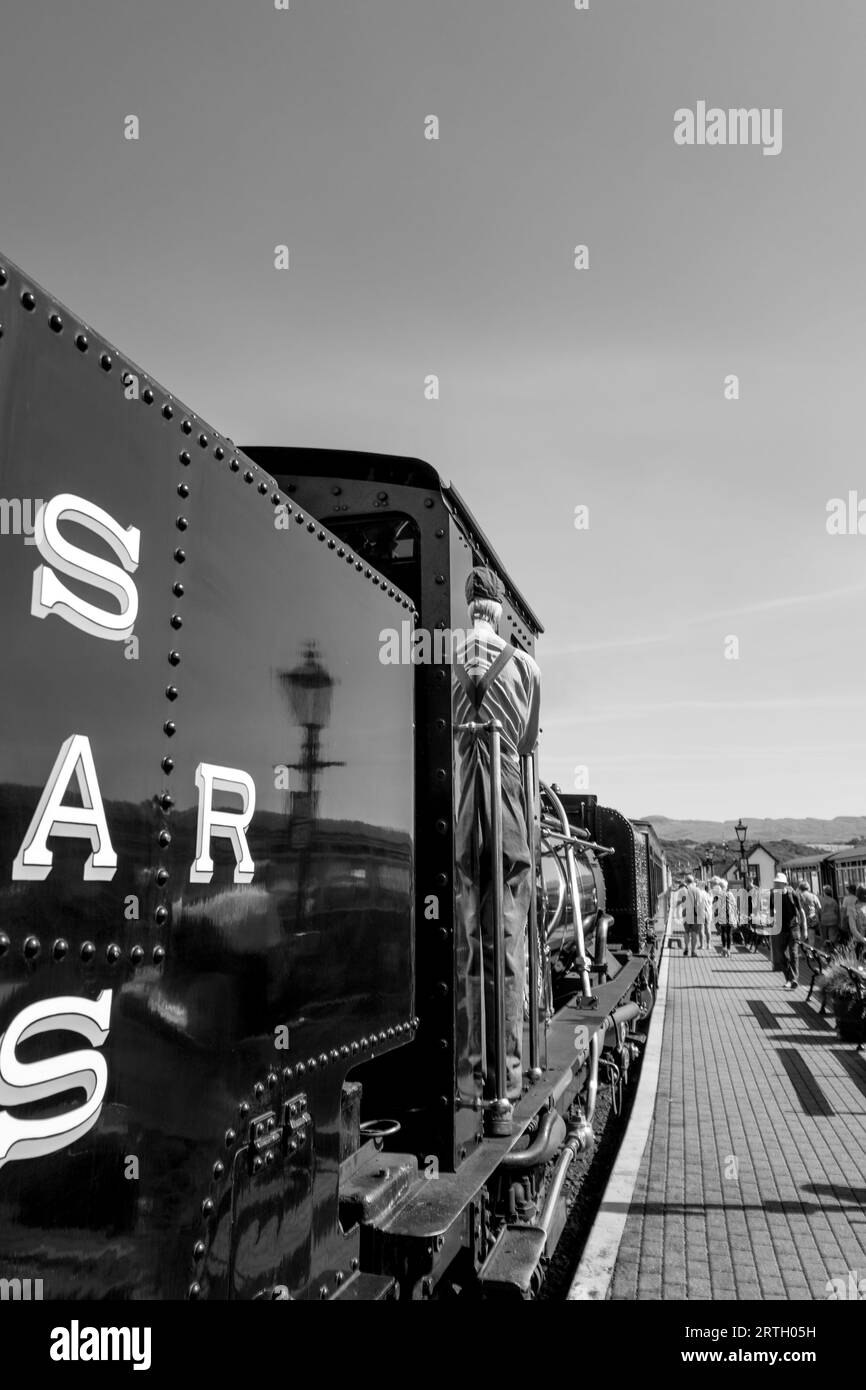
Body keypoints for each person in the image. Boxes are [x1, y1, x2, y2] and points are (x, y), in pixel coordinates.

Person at [453, 566, 541, 1136]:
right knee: (508, 941)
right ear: (502, 609)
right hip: (507, 804)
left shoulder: (447, 662)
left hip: (462, 803)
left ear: (468, 604)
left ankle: (468, 1072)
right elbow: (530, 741)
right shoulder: (526, 667)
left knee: (467, 939)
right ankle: (504, 1083)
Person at [769, 871, 805, 989]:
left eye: (778, 883)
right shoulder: (773, 895)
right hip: (780, 929)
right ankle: (789, 977)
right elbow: (770, 912)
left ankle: (793, 979)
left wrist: (804, 928)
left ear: (784, 884)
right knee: (780, 955)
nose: (776, 885)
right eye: (775, 883)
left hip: (793, 928)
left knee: (793, 954)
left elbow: (801, 911)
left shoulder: (793, 894)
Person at [681, 874, 709, 957]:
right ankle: (693, 952)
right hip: (695, 914)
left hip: (686, 914)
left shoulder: (683, 890)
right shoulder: (697, 890)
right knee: (694, 933)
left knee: (686, 932)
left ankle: (686, 948)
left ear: (686, 881)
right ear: (693, 881)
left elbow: (682, 902)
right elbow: (700, 903)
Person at [713, 876, 738, 957]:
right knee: (729, 933)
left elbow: (716, 906)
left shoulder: (719, 895)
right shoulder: (730, 894)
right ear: (726, 886)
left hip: (723, 916)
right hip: (730, 916)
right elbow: (734, 905)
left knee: (723, 932)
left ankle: (724, 950)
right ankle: (728, 950)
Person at [797, 879, 823, 947]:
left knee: (802, 938)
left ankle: (803, 953)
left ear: (800, 888)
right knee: (811, 938)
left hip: (801, 919)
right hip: (812, 919)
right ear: (808, 887)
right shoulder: (813, 896)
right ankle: (810, 954)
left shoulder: (798, 896)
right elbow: (819, 908)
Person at [819, 886, 841, 950]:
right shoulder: (834, 901)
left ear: (824, 892)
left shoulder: (820, 900)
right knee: (832, 937)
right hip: (833, 920)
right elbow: (837, 911)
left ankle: (824, 951)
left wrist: (819, 919)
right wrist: (838, 921)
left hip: (824, 920)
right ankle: (832, 950)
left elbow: (818, 911)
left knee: (824, 937)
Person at [851, 886, 866, 956]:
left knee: (860, 965)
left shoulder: (852, 909)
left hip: (859, 942)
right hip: (861, 941)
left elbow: (853, 929)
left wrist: (863, 939)